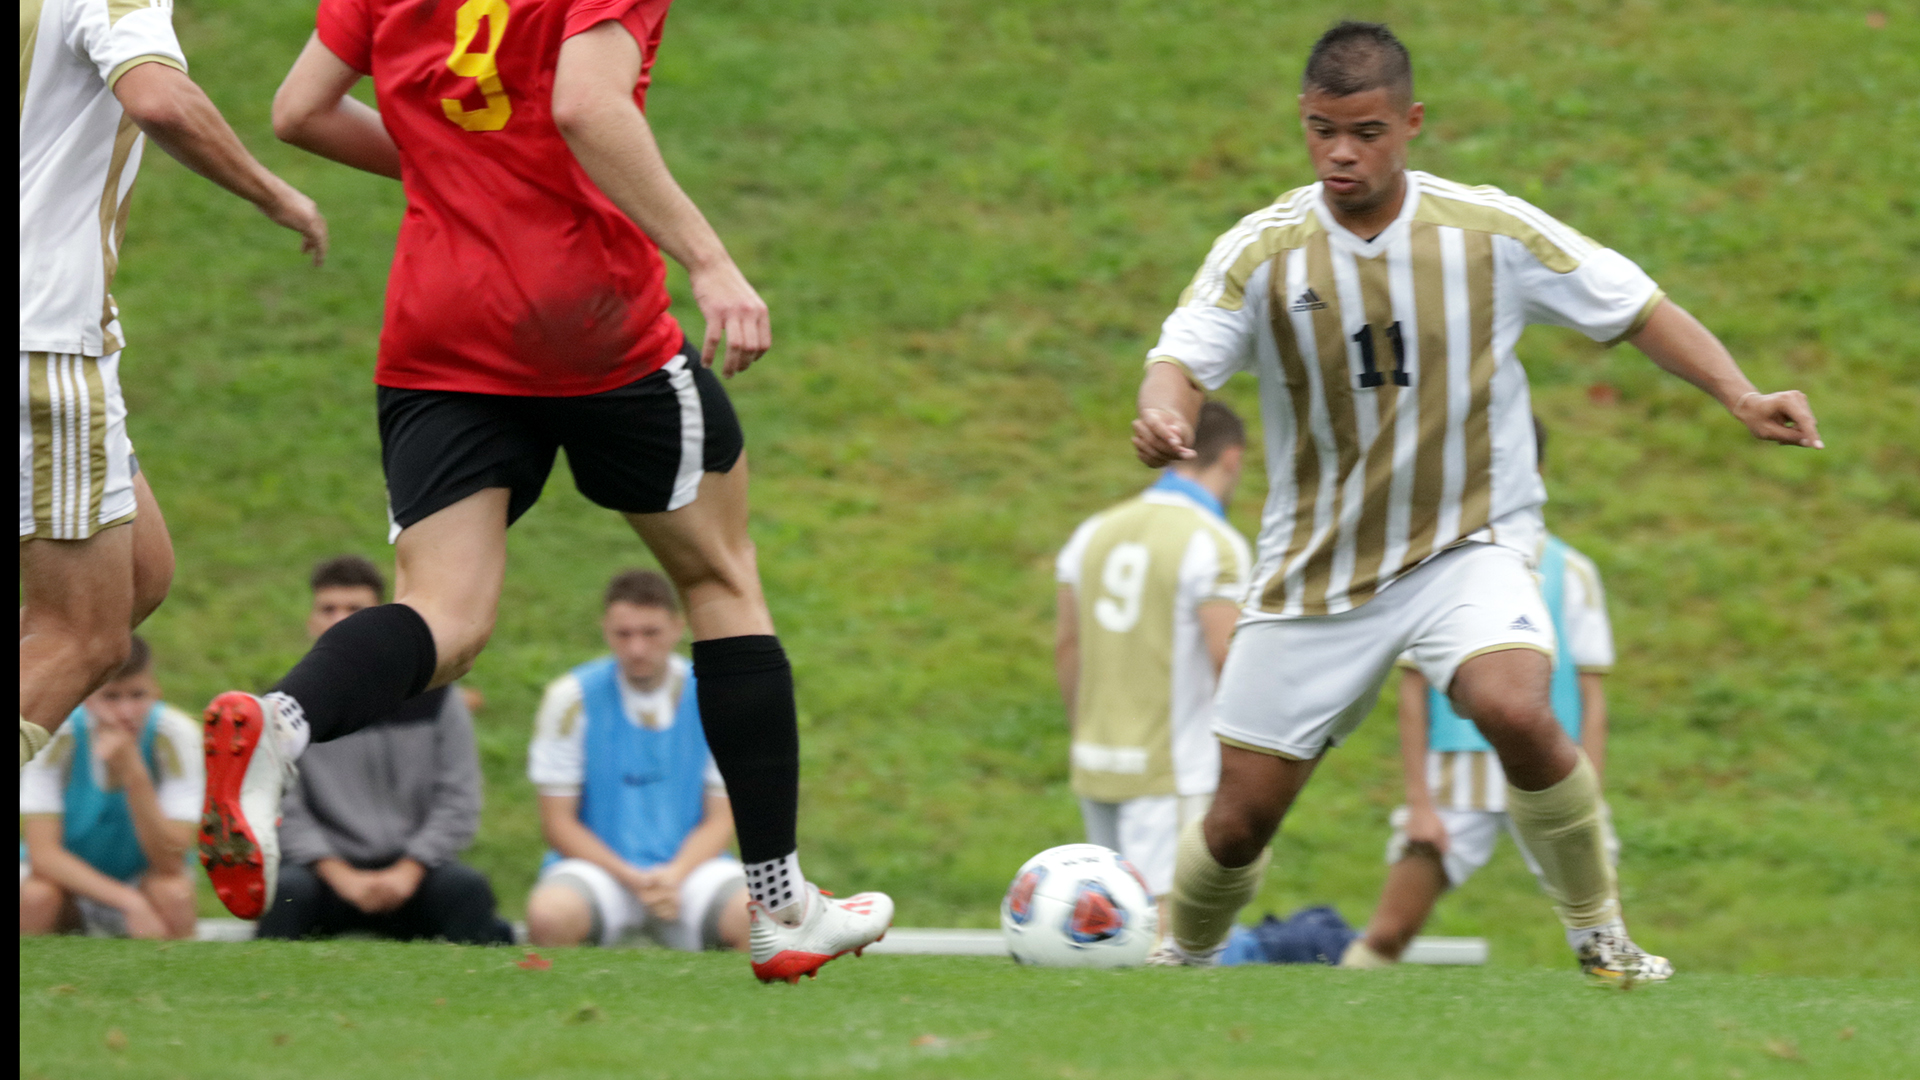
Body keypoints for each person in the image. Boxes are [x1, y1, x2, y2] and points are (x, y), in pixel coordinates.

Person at [200, 0, 890, 983]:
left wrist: (459, 173)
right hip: (590, 319)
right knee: (721, 581)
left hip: (440, 326)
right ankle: (780, 908)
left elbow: (299, 109)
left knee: (444, 616)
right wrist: (710, 261)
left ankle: (280, 725)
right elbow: (584, 104)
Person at [1133, 21, 1821, 985]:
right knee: (1240, 819)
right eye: (1323, 130)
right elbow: (1179, 358)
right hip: (1318, 565)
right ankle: (1182, 961)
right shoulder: (1263, 251)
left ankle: (1601, 937)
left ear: (1411, 123)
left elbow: (1636, 308)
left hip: (1470, 540)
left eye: (1366, 132)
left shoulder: (1489, 231)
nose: (1341, 153)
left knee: (1515, 707)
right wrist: (1163, 412)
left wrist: (1740, 394)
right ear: (1303, 122)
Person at [19, 0, 328, 767]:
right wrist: (274, 193)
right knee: (84, 637)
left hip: (64, 335)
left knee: (140, 573)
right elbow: (156, 97)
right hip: (43, 339)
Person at [1348, 417, 1621, 966]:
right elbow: (1412, 692)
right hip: (1457, 777)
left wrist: (1588, 793)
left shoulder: (1573, 572)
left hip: (1552, 770)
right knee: (1388, 933)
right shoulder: (1438, 565)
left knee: (1606, 940)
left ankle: (1630, 1013)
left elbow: (1592, 697)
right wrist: (1419, 803)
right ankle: (1339, 1013)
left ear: (1535, 471)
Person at [1055, 401, 1252, 931]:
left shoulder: (1092, 532)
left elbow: (1068, 646)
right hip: (1173, 769)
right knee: (1167, 924)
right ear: (1231, 458)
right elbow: (1227, 657)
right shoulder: (1215, 544)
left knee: (1109, 923)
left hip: (1097, 759)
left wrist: (1084, 731)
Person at [256, 556, 510, 945]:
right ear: (311, 620)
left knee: (467, 890)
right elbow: (281, 808)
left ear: (380, 623)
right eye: (328, 609)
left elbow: (458, 799)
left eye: (355, 611)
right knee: (285, 893)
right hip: (321, 873)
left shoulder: (439, 701)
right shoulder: (285, 709)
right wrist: (338, 873)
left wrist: (409, 870)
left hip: (417, 872)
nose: (339, 621)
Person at [524, 569, 750, 952]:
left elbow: (722, 817)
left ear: (677, 627)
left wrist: (673, 875)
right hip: (600, 869)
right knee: (549, 915)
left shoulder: (715, 696)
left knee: (756, 915)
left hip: (690, 869)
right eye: (623, 634)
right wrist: (632, 878)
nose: (637, 649)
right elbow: (557, 822)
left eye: (650, 633)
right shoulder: (570, 698)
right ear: (605, 629)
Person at [20, 636, 201, 940]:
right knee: (37, 897)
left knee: (175, 894)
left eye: (138, 695)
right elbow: (43, 855)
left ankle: (175, 970)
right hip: (70, 885)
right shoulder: (57, 734)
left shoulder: (177, 735)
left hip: (142, 880)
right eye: (111, 697)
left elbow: (171, 861)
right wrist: (128, 902)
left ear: (156, 690)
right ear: (87, 698)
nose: (126, 712)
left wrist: (134, 775)